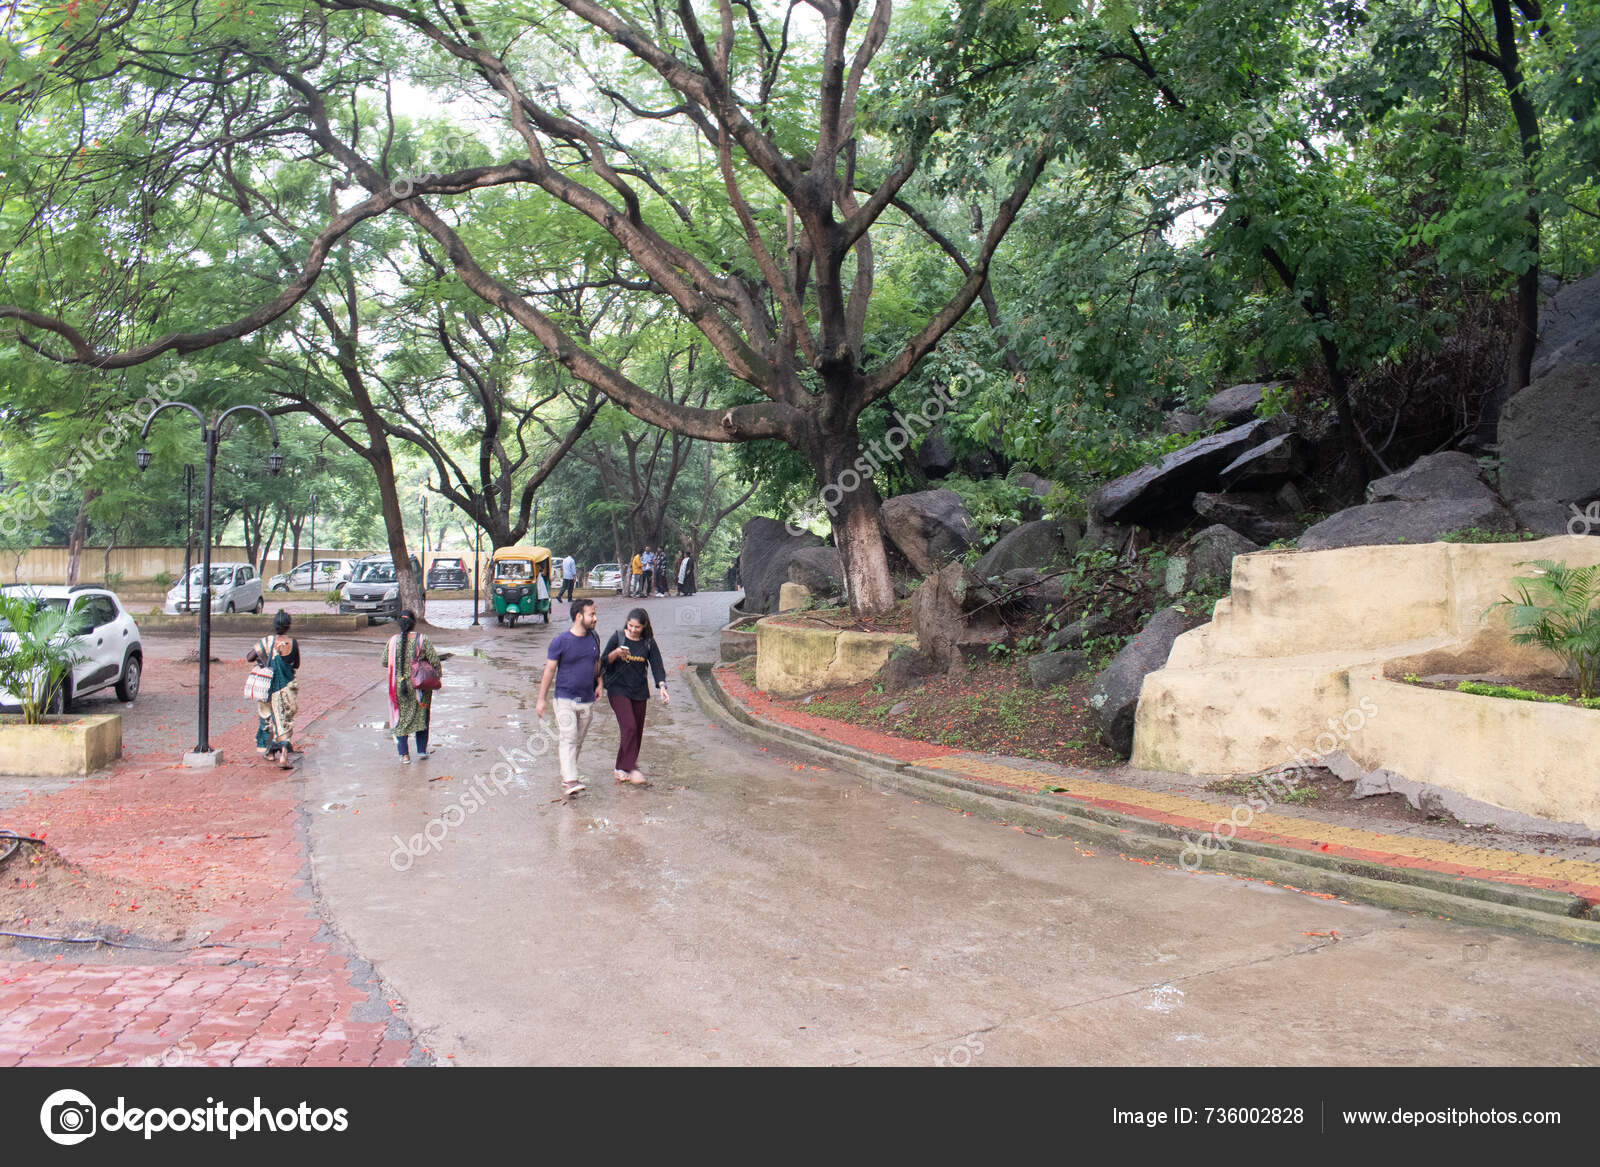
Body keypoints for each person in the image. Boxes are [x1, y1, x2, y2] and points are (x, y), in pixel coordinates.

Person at [536, 597, 602, 797]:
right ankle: (571, 779)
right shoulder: (561, 641)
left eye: (594, 614)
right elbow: (549, 670)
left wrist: (600, 683)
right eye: (591, 614)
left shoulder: (594, 638)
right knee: (568, 737)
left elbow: (596, 662)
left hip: (587, 698)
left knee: (578, 741)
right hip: (564, 698)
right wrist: (541, 699)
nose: (595, 618)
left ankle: (567, 775)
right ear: (579, 616)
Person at [602, 607, 669, 786]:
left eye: (637, 627)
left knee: (635, 732)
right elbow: (602, 661)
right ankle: (632, 767)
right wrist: (616, 653)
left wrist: (662, 685)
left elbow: (657, 665)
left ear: (644, 626)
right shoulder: (618, 637)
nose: (632, 630)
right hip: (618, 689)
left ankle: (620, 768)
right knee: (629, 727)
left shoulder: (648, 642)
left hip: (639, 691)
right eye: (630, 625)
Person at [384, 609, 441, 764]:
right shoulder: (423, 640)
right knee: (422, 716)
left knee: (401, 719)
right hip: (420, 687)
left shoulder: (392, 641)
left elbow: (384, 661)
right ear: (414, 623)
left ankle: (404, 755)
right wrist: (438, 677)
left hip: (398, 687)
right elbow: (435, 661)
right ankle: (421, 750)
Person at [247, 611, 299, 770]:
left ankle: (269, 752)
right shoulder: (293, 643)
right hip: (286, 686)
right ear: (288, 626)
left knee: (268, 718)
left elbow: (249, 657)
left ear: (275, 625)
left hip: (268, 687)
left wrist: (264, 658)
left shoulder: (267, 641)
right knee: (284, 718)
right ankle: (283, 753)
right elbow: (296, 664)